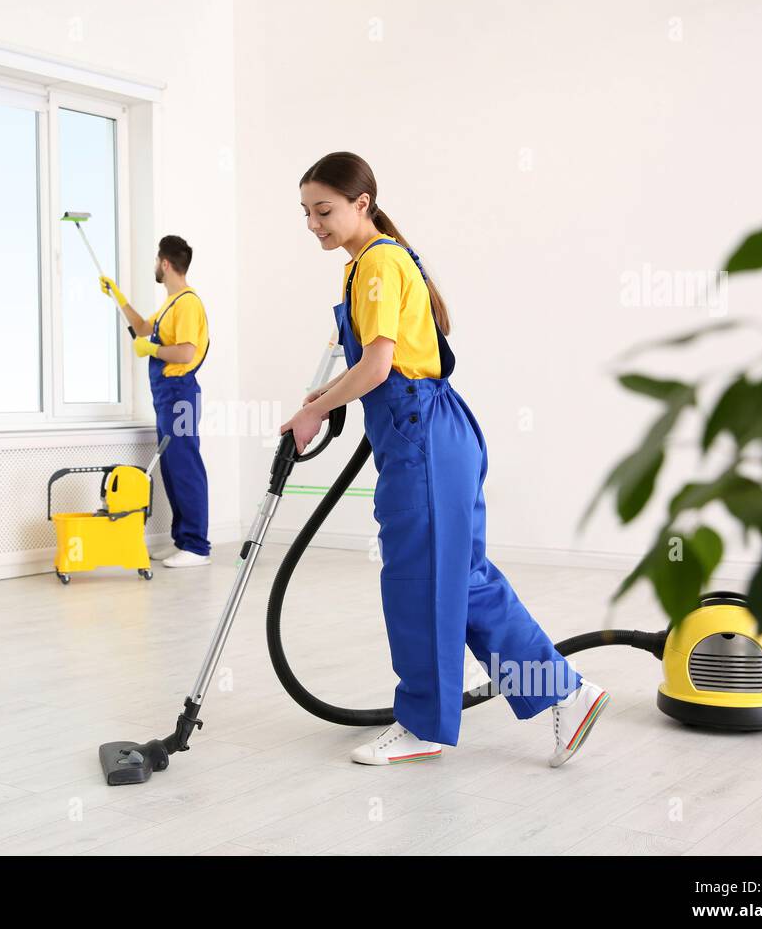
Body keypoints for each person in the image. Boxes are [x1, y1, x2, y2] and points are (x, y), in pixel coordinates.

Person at [278, 152, 609, 767]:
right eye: (305, 213)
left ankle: (424, 725)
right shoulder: (377, 261)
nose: (313, 224)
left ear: (361, 204)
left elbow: (378, 368)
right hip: (437, 432)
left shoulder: (377, 263)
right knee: (464, 580)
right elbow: (380, 366)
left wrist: (315, 411)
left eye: (323, 210)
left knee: (419, 582)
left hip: (421, 437)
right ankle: (568, 693)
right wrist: (323, 397)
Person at [101, 236, 211, 568]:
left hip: (180, 394)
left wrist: (151, 350)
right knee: (172, 467)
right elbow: (143, 327)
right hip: (167, 395)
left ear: (164, 263)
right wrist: (118, 297)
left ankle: (197, 546)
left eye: (155, 260)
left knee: (185, 465)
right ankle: (183, 542)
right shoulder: (171, 303)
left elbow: (186, 352)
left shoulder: (188, 303)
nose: (154, 266)